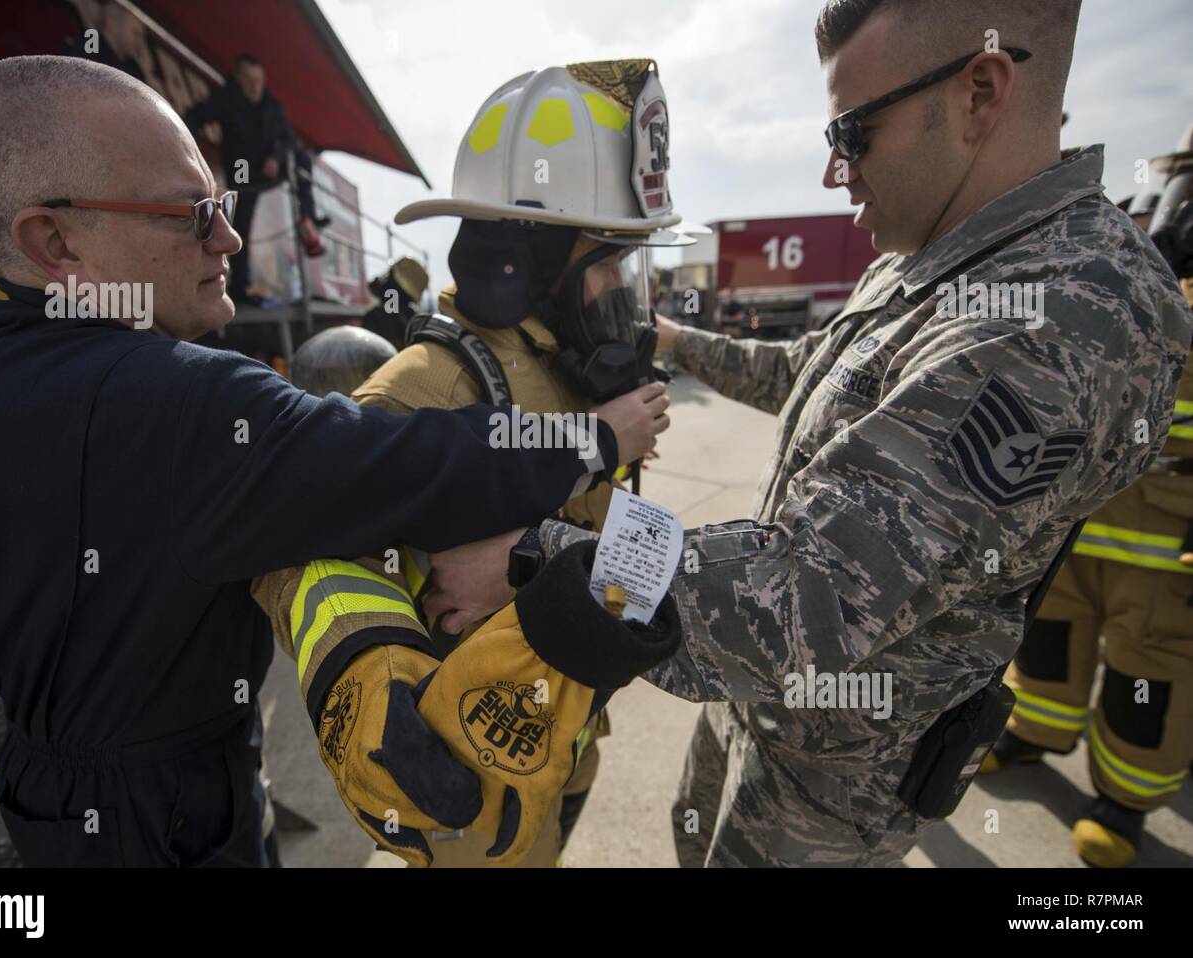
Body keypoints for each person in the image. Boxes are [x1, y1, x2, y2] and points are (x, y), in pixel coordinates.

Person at [422, 0, 1193, 867]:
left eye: (854, 132)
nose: (836, 172)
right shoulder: (927, 258)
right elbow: (809, 376)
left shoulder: (1067, 310)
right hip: (752, 696)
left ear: (981, 91)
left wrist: (534, 561)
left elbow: (815, 586)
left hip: (836, 781)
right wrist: (674, 342)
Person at [0, 54, 664, 867]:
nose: (229, 237)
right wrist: (593, 442)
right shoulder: (172, 402)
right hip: (161, 818)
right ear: (55, 240)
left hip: (47, 789)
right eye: (190, 213)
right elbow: (388, 463)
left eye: (224, 204)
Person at [251, 59, 686, 867]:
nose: (625, 299)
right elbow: (290, 534)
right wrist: (365, 672)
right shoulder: (435, 381)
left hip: (569, 729)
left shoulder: (570, 378)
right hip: (474, 777)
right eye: (609, 268)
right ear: (534, 262)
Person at [982, 126, 1193, 868]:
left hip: (1172, 545)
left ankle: (1126, 802)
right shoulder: (1132, 268)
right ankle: (1035, 734)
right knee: (1050, 640)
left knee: (1149, 668)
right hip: (1082, 519)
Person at [184, 53, 326, 302]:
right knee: (241, 225)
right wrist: (190, 152)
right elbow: (194, 116)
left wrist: (276, 157)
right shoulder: (227, 98)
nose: (254, 85)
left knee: (302, 158)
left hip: (270, 167)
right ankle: (240, 286)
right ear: (238, 79)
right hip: (242, 173)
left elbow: (287, 139)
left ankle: (307, 218)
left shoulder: (272, 105)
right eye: (249, 80)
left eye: (259, 80)